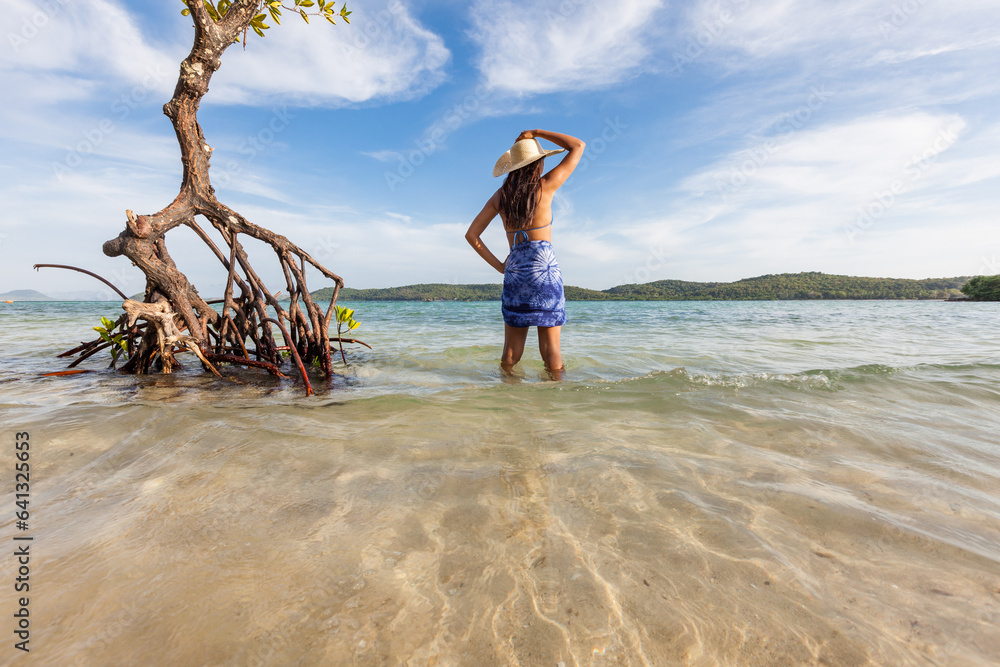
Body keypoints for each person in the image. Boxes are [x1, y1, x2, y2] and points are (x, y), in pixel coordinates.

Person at [465, 129, 585, 377]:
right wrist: (537, 132)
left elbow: (472, 235)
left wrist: (500, 266)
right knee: (552, 351)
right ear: (538, 163)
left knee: (510, 352)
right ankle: (553, 404)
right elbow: (578, 146)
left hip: (516, 274)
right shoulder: (546, 186)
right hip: (545, 273)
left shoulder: (501, 197)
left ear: (513, 166)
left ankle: (509, 401)